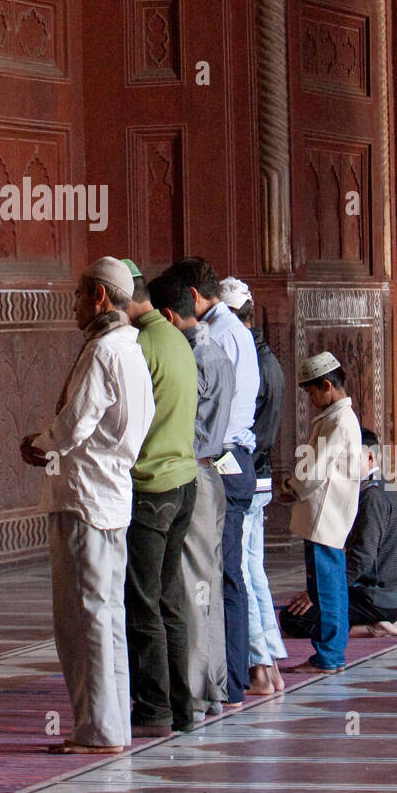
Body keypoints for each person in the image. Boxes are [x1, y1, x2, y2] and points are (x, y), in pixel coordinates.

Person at [20, 257, 154, 755]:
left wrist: (41, 443)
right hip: (112, 495)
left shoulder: (102, 352)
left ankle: (98, 731)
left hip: (83, 499)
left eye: (79, 294)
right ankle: (110, 725)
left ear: (99, 296)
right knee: (106, 615)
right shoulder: (132, 353)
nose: (74, 304)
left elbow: (75, 423)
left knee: (83, 617)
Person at [171, 257, 259, 708]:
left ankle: (226, 681)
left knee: (220, 576)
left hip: (221, 459)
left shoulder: (216, 336)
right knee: (226, 573)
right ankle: (227, 680)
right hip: (232, 457)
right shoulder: (232, 330)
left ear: (189, 295)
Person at [148, 268, 233, 718]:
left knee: (192, 585)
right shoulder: (214, 349)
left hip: (193, 474)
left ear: (166, 315)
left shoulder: (192, 356)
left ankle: (196, 690)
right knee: (208, 582)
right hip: (210, 473)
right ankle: (213, 683)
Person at [121, 260, 199, 737]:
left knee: (144, 603)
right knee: (169, 600)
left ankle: (153, 708)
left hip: (152, 488)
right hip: (184, 482)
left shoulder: (139, 345)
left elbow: (125, 425)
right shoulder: (174, 336)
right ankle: (181, 706)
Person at [219, 277, 287, 696]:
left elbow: (249, 431)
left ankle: (260, 664)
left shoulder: (250, 360)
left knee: (242, 572)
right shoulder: (264, 356)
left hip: (247, 472)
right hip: (257, 474)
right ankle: (270, 659)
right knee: (253, 570)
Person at [279, 428, 397, 640]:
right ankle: (377, 620)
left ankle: (370, 628)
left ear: (370, 457)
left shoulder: (373, 497)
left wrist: (322, 590)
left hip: (376, 599)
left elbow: (362, 557)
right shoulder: (381, 486)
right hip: (385, 597)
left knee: (294, 619)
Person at [280, 352, 361, 674]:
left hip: (324, 519)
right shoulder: (341, 419)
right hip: (329, 518)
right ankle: (331, 653)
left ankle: (328, 656)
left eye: (313, 392)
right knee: (329, 589)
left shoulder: (338, 421)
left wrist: (291, 485)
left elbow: (314, 472)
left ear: (327, 385)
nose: (312, 399)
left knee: (326, 591)